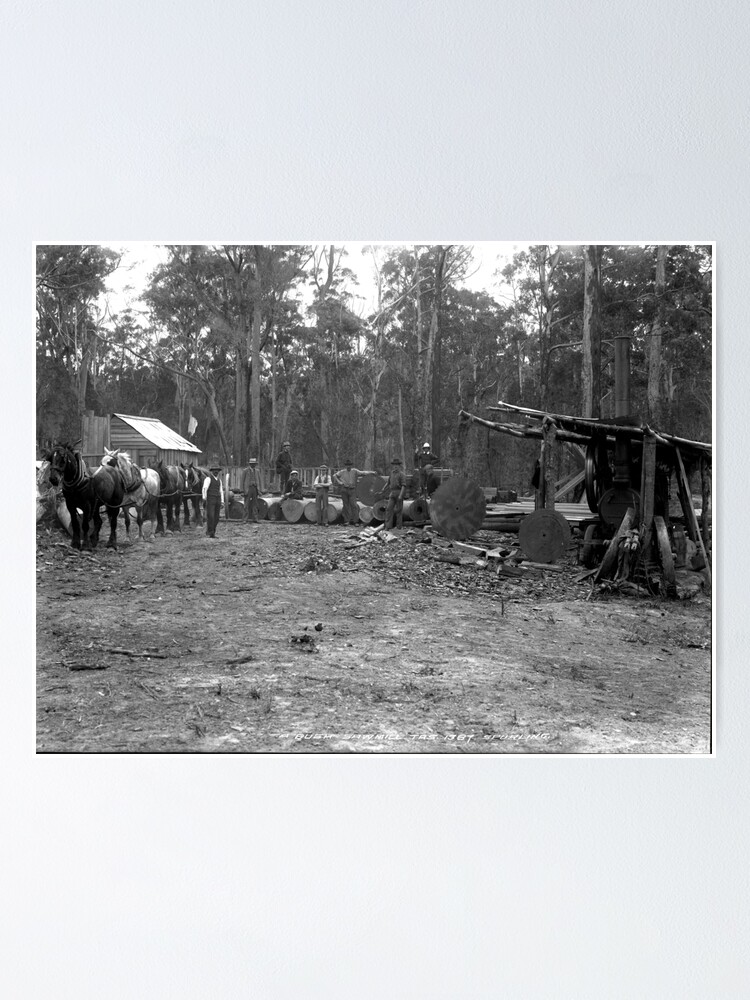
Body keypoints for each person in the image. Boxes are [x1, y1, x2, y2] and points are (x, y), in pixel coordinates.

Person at [333, 458, 361, 525]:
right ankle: (346, 520)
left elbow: (363, 473)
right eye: (347, 465)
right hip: (344, 489)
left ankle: (355, 521)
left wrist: (372, 472)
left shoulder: (355, 471)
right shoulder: (342, 472)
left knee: (354, 505)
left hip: (352, 489)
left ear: (351, 465)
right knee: (346, 505)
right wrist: (339, 482)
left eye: (349, 465)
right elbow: (334, 476)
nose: (348, 466)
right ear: (345, 466)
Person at [202, 460, 225, 538]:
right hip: (210, 499)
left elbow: (221, 491)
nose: (216, 472)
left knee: (216, 517)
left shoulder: (219, 481)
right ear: (212, 471)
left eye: (217, 471)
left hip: (218, 499)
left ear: (218, 472)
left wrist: (222, 501)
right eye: (214, 470)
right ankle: (210, 532)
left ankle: (213, 531)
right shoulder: (208, 479)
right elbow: (205, 489)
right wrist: (204, 498)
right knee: (210, 516)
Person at [384, 457, 406, 530]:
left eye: (397, 465)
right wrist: (383, 489)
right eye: (394, 465)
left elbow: (403, 486)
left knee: (399, 510)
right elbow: (388, 483)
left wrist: (400, 495)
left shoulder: (401, 474)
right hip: (392, 492)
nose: (395, 466)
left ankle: (399, 526)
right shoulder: (392, 473)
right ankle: (388, 526)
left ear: (399, 466)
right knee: (388, 508)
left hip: (399, 492)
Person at [241, 457, 262, 523]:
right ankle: (245, 519)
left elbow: (259, 481)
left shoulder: (257, 471)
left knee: (255, 504)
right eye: (252, 464)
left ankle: (255, 518)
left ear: (255, 464)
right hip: (248, 488)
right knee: (246, 504)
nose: (253, 465)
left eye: (254, 464)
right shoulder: (245, 471)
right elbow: (242, 481)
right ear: (249, 464)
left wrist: (259, 490)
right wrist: (242, 490)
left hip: (255, 488)